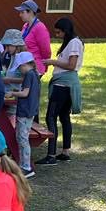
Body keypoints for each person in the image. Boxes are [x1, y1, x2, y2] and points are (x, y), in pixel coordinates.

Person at [38, 16, 84, 166]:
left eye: (59, 32)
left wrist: (52, 62)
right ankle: (65, 152)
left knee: (51, 116)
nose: (57, 35)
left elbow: (71, 65)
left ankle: (51, 155)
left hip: (63, 86)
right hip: (64, 84)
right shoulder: (70, 42)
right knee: (64, 116)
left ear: (66, 30)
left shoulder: (74, 43)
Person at [5, 53, 40, 179]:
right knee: (21, 137)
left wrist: (12, 93)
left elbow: (25, 93)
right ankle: (22, 165)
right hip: (30, 110)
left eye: (20, 67)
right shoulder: (35, 74)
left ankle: (26, 167)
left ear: (25, 64)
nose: (19, 70)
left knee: (22, 138)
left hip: (25, 111)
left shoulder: (29, 75)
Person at [14, 0, 51, 76]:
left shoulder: (40, 27)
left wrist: (44, 64)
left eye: (22, 12)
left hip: (35, 67)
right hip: (24, 65)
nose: (20, 15)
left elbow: (46, 50)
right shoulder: (25, 26)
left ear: (30, 12)